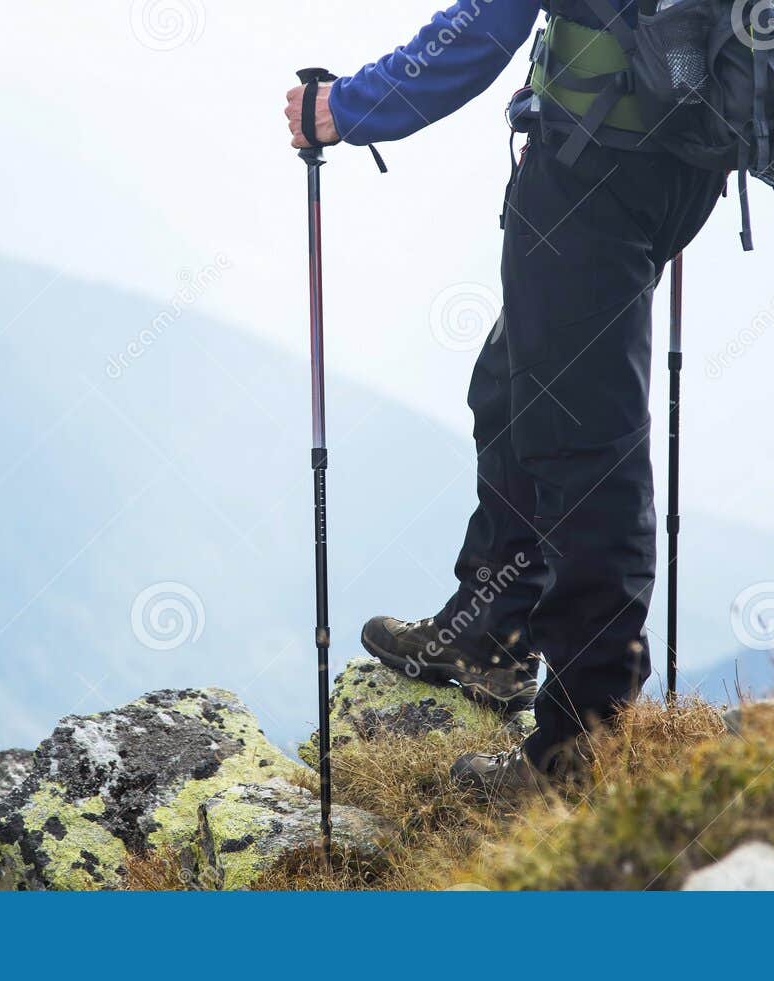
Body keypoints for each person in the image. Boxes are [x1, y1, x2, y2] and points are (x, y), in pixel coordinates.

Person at [284, 0, 724, 796]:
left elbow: (482, 26)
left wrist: (342, 108)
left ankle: (579, 751)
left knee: (586, 449)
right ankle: (494, 630)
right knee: (515, 386)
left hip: (596, 170)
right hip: (676, 160)